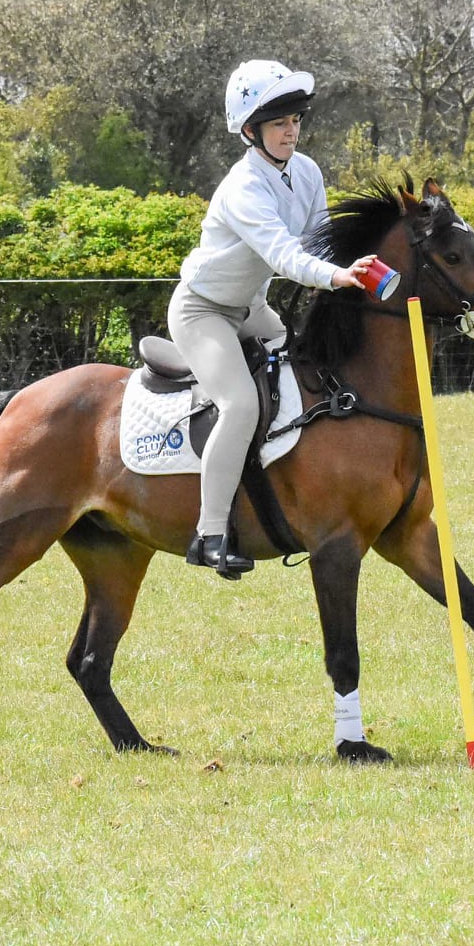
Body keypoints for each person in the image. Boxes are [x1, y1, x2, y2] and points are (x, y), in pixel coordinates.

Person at [169, 59, 379, 579]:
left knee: (308, 375)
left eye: (296, 121)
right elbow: (287, 256)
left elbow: (317, 239)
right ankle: (210, 533)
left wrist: (367, 266)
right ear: (250, 130)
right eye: (279, 123)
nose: (291, 131)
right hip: (204, 313)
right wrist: (336, 277)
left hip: (251, 310)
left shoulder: (305, 172)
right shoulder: (242, 187)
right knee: (240, 405)